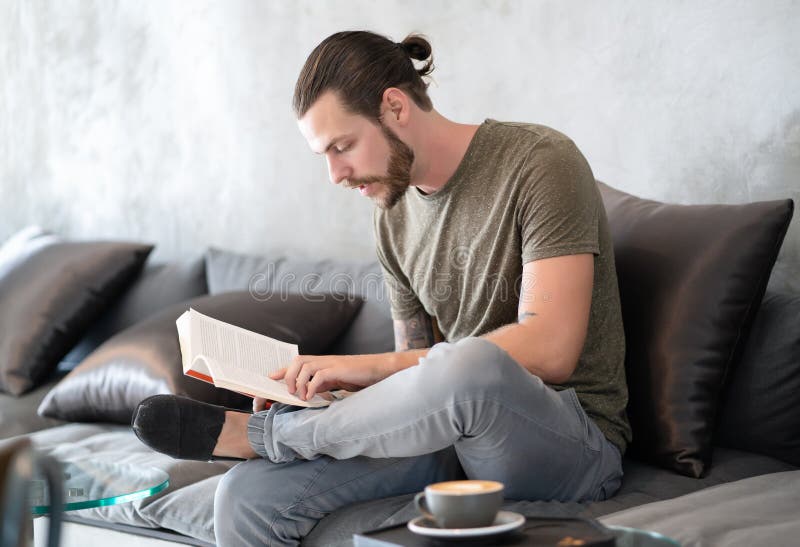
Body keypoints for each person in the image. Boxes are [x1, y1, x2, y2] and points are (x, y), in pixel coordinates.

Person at [133, 30, 631, 546]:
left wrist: (363, 366)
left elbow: (551, 348)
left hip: (570, 442)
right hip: (453, 434)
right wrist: (332, 392)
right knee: (244, 496)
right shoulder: (392, 215)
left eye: (342, 146)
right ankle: (282, 431)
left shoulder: (539, 162)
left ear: (394, 107)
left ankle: (266, 438)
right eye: (324, 155)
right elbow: (416, 369)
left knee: (470, 364)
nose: (334, 174)